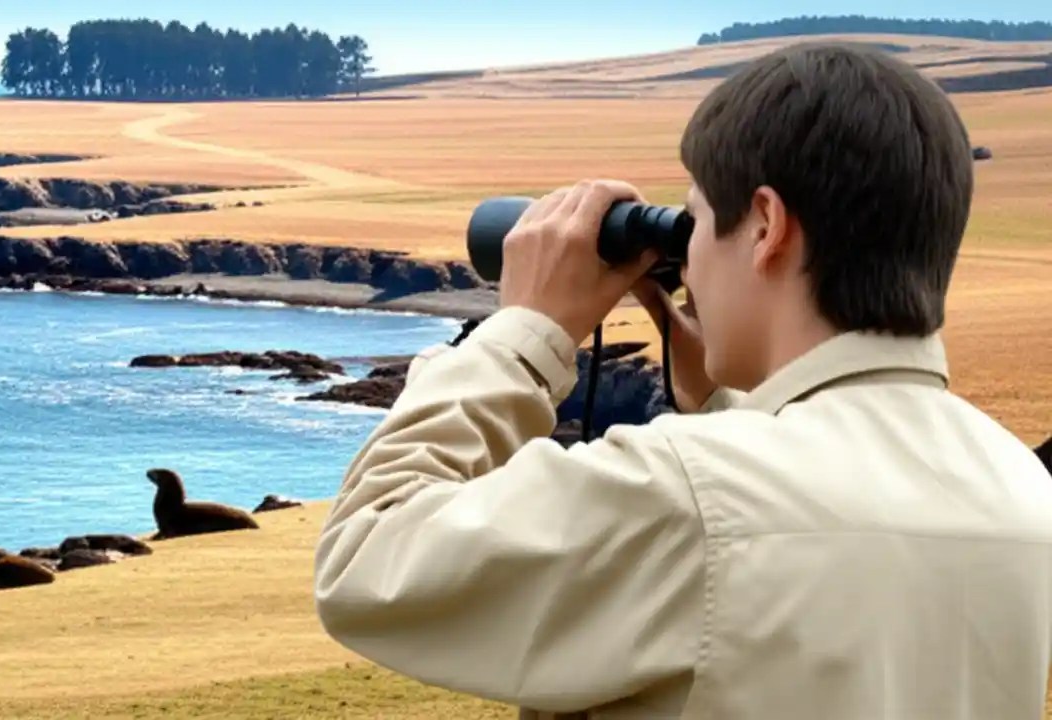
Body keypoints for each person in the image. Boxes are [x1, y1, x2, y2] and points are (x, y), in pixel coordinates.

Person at [312, 41, 1052, 719]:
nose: (686, 262)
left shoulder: (685, 493)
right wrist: (733, 398)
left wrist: (522, 334)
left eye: (693, 224)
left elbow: (367, 559)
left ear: (765, 225)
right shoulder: (1019, 489)